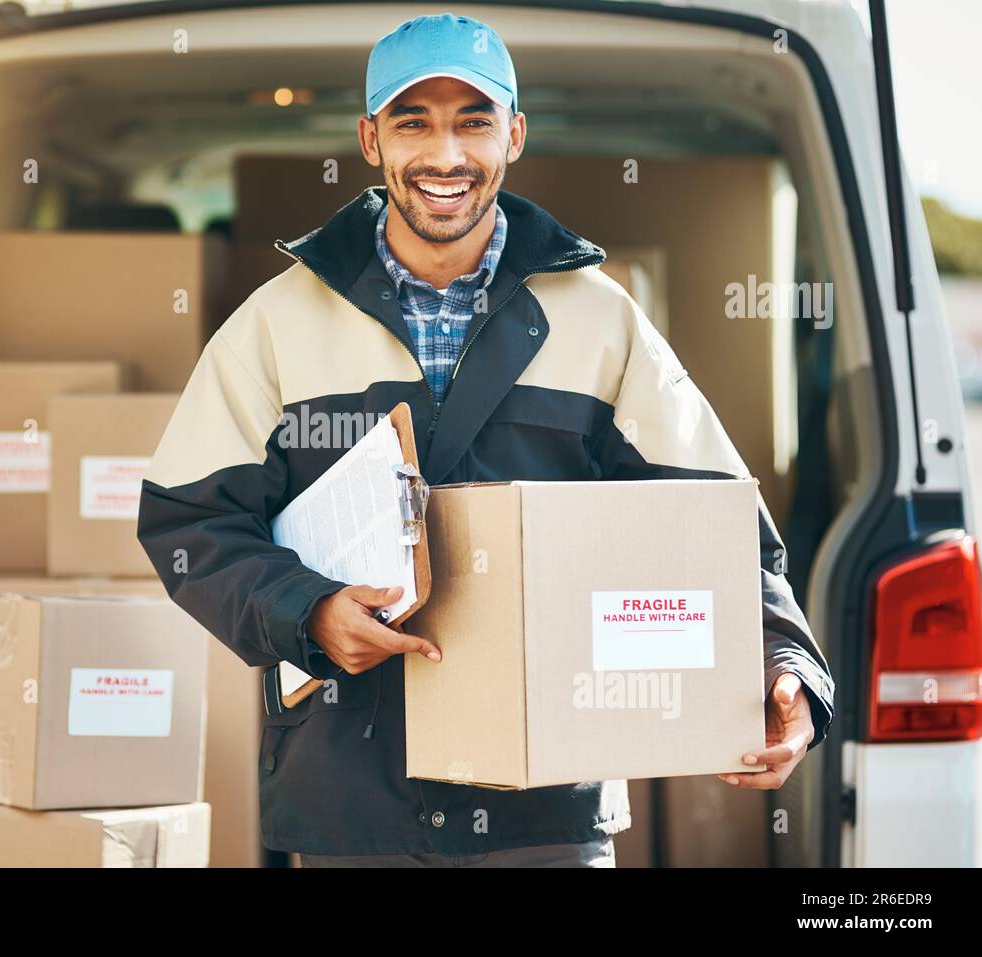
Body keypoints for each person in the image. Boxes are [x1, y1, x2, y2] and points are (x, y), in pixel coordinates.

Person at [138, 12, 835, 868]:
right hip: (349, 809)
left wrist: (782, 658)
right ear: (369, 139)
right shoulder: (276, 326)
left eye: (473, 120)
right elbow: (185, 523)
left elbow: (716, 521)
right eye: (412, 122)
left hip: (545, 808)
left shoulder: (600, 321)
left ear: (515, 133)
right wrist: (306, 612)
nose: (445, 155)